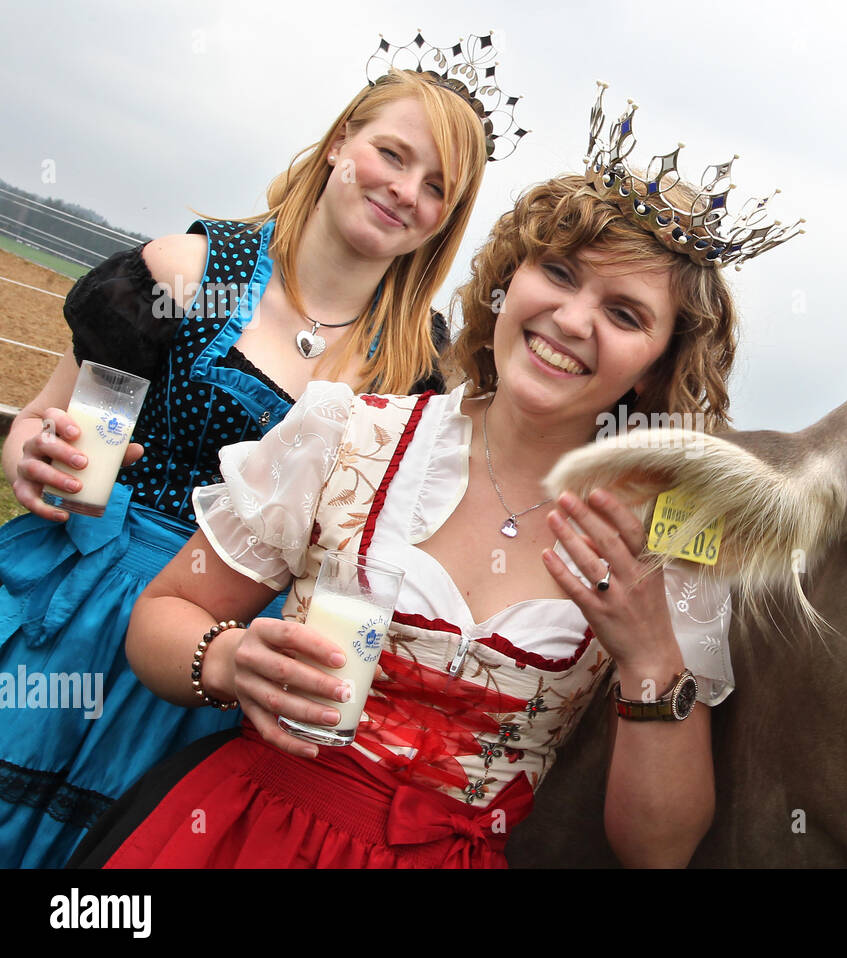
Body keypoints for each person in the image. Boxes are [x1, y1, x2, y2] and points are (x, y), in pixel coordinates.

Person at [71, 163, 751, 868]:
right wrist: (225, 660)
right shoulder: (342, 431)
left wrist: (650, 659)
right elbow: (165, 613)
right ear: (510, 279)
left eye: (625, 313)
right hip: (242, 837)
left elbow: (658, 850)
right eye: (560, 272)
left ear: (656, 364)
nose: (573, 320)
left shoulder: (672, 540)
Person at [0, 56, 495, 867]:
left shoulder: (415, 375)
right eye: (394, 155)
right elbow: (44, 423)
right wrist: (33, 458)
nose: (407, 191)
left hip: (227, 662)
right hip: (79, 604)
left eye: (438, 186)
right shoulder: (188, 274)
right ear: (341, 143)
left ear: (446, 219)